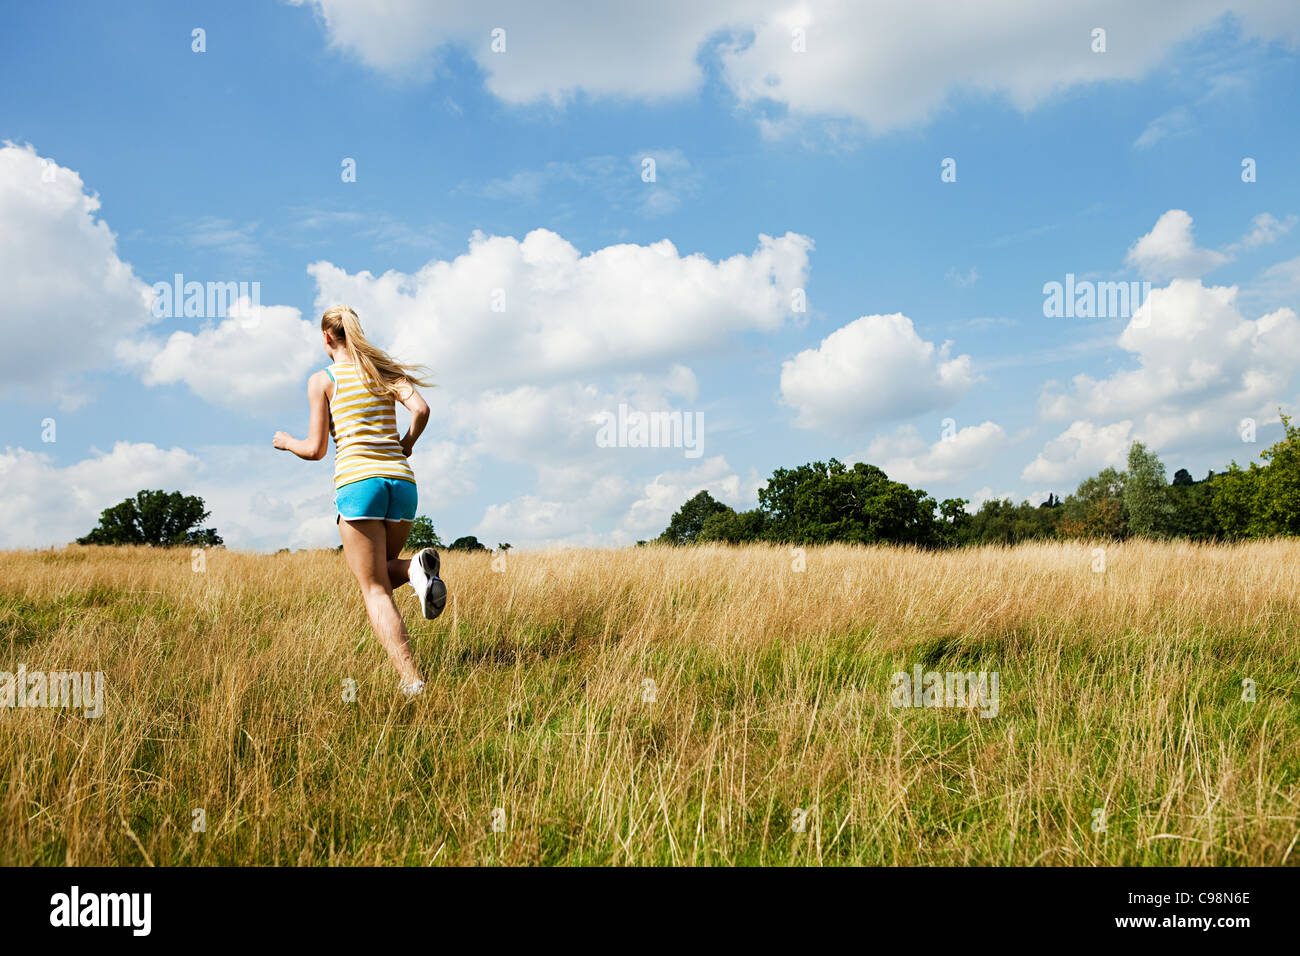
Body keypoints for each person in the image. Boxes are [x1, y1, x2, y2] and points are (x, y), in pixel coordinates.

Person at [273, 305, 446, 696]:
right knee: (382, 573)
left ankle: (412, 681)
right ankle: (416, 571)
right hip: (402, 484)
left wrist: (286, 443)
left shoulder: (322, 380)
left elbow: (316, 450)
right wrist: (406, 444)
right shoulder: (383, 372)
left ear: (327, 338)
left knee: (375, 590)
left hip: (358, 483)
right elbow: (420, 408)